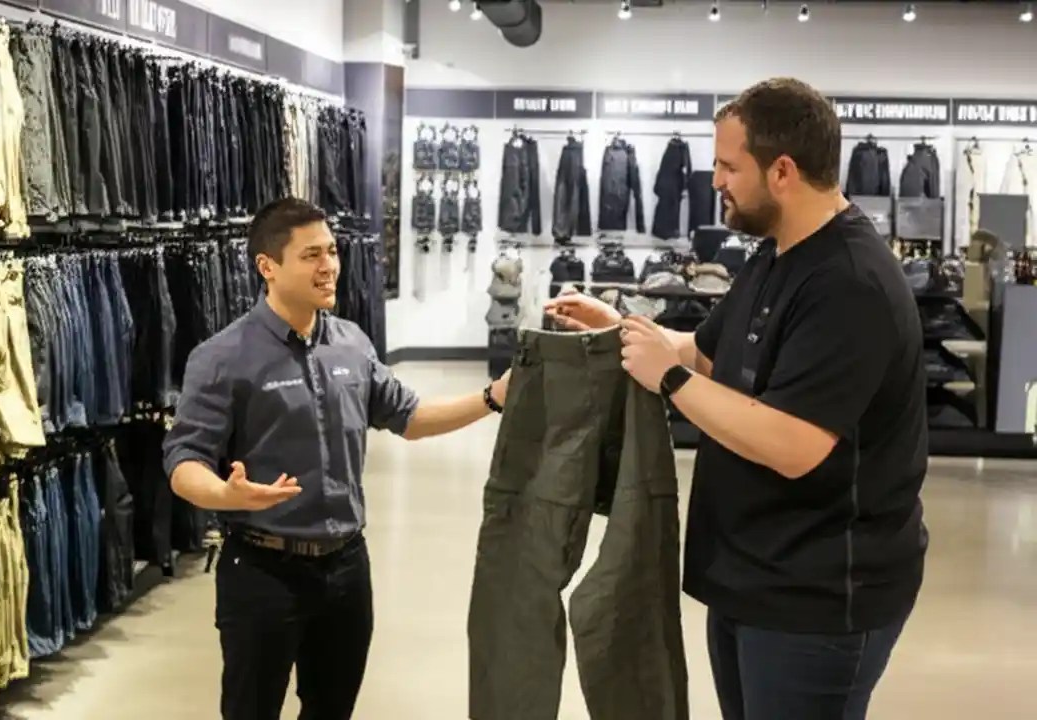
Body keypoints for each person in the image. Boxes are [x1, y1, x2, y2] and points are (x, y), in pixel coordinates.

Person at [546, 78, 928, 719]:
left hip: (816, 599)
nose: (716, 180)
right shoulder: (776, 253)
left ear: (782, 171)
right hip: (753, 578)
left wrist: (668, 381)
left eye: (728, 166)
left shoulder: (849, 283)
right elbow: (706, 355)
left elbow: (794, 444)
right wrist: (622, 328)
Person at [161, 197, 510, 720]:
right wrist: (225, 494)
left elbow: (410, 417)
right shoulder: (221, 357)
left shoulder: (351, 344)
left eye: (331, 251)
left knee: (332, 710)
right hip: (262, 571)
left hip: (346, 568)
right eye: (311, 255)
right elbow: (184, 459)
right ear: (267, 266)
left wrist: (493, 397)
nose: (329, 266)